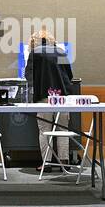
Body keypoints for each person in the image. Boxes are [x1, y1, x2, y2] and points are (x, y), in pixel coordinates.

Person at [25, 27, 76, 164]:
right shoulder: (61, 52)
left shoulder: (35, 54)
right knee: (63, 129)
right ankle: (64, 162)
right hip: (62, 98)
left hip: (44, 97)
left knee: (45, 130)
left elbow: (28, 76)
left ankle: (46, 163)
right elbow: (70, 75)